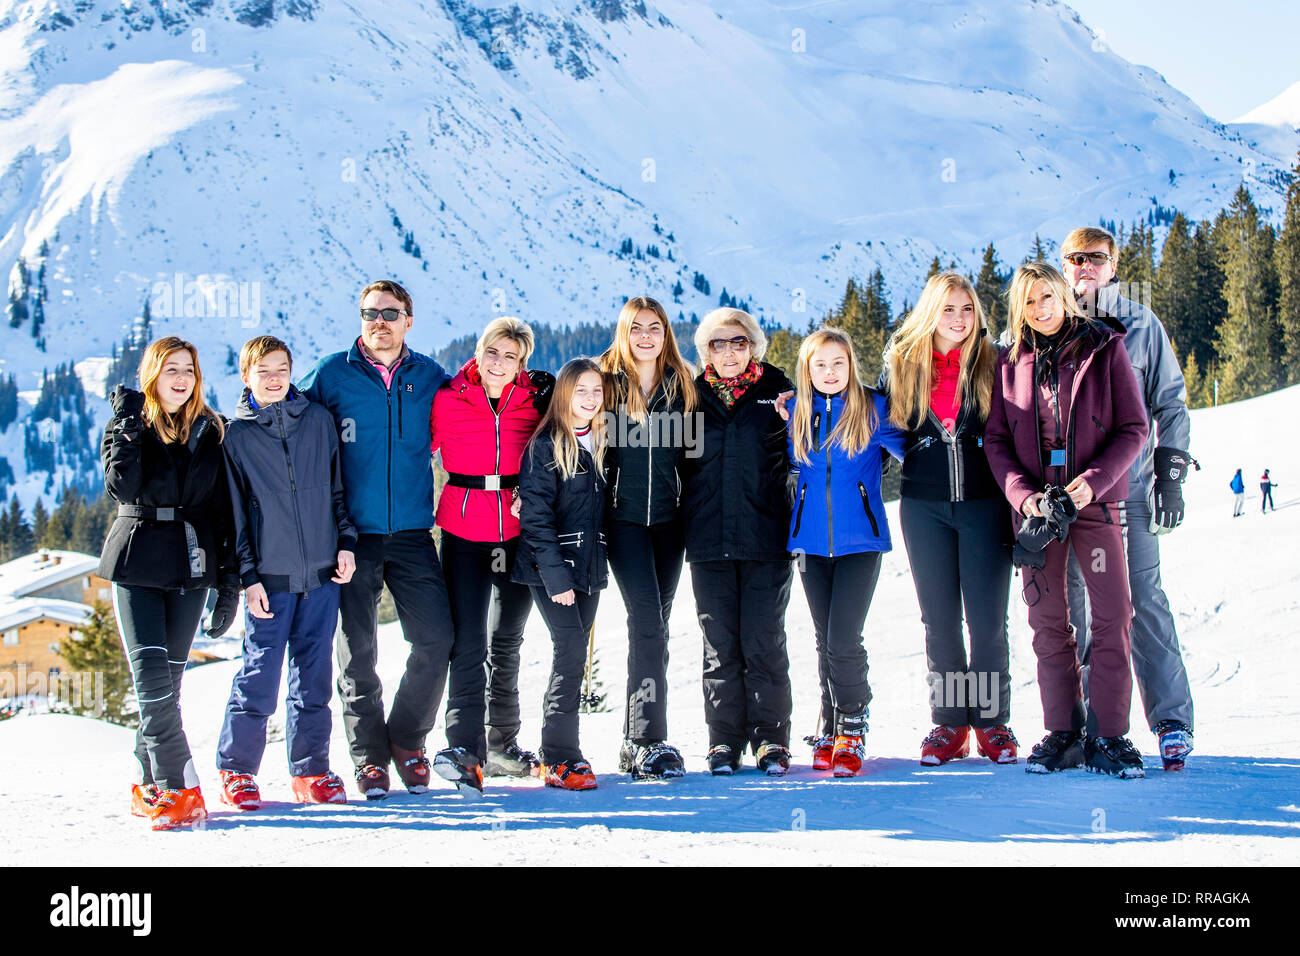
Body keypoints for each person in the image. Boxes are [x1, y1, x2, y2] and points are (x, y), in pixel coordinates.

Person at [984, 262, 1149, 778]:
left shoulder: (1105, 348)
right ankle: (1063, 731)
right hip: (1037, 512)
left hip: (1093, 505)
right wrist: (1023, 495)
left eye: (1048, 297)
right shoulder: (1009, 362)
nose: (1041, 309)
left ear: (1064, 296)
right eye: (1030, 301)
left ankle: (1110, 735)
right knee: (1048, 621)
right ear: (1020, 307)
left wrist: (1092, 482)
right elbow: (996, 440)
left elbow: (1133, 428)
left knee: (1113, 615)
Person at [298, 280, 453, 799]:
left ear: (409, 319)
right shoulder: (331, 373)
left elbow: (480, 411)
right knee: (356, 651)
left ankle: (407, 740)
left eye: (391, 313)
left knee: (436, 639)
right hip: (349, 537)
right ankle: (368, 757)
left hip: (412, 531)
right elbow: (282, 410)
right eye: (370, 313)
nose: (379, 322)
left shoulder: (429, 376)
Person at [1060, 226, 1197, 771]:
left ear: (1113, 266)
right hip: (1069, 497)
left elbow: (1171, 401)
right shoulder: (1046, 321)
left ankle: (1171, 720)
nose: (1086, 266)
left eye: (1097, 258)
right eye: (1076, 258)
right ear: (1064, 265)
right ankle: (1092, 724)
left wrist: (1170, 471)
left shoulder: (1142, 325)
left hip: (1132, 489)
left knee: (1144, 600)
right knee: (1077, 612)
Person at [99, 337, 239, 830]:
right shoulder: (131, 424)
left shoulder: (211, 429)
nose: (181, 379)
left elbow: (224, 512)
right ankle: (181, 788)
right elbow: (122, 485)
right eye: (170, 370)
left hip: (192, 566)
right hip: (137, 564)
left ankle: (147, 784)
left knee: (168, 687)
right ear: (152, 375)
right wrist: (126, 422)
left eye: (189, 370)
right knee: (154, 685)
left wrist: (229, 586)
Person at [882, 272, 1019, 767]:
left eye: (967, 309)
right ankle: (950, 725)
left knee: (986, 621)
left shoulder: (994, 361)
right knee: (939, 621)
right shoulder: (902, 362)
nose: (959, 319)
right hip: (924, 508)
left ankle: (991, 724)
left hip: (985, 504)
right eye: (949, 309)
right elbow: (881, 426)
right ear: (930, 312)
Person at [215, 336, 358, 809]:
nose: (274, 378)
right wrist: (248, 577)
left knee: (314, 677)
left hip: (321, 574)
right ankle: (237, 771)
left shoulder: (318, 422)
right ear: (246, 376)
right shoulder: (235, 436)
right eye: (264, 370)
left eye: (282, 368)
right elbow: (234, 515)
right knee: (259, 675)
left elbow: (338, 491)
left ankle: (311, 770)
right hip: (269, 581)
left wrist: (345, 544)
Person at [429, 317, 553, 790]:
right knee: (468, 640)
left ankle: (501, 746)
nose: (499, 364)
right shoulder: (448, 398)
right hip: (464, 529)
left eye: (511, 357)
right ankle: (463, 747)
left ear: (522, 362)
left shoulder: (533, 400)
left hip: (518, 532)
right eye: (492, 353)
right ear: (478, 352)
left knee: (507, 639)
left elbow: (566, 434)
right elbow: (418, 448)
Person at [680, 308, 796, 776]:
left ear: (754, 346)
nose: (729, 352)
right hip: (707, 539)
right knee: (718, 645)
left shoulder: (781, 392)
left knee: (763, 640)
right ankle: (723, 741)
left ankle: (771, 739)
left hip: (766, 537)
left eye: (739, 342)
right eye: (717, 344)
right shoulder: (690, 397)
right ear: (705, 351)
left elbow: (820, 438)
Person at [786, 327, 904, 777]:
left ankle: (853, 723)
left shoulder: (873, 409)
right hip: (810, 544)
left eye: (839, 363)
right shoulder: (795, 411)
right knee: (823, 639)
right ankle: (830, 724)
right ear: (807, 370)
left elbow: (917, 453)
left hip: (860, 542)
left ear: (851, 365)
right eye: (820, 365)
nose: (830, 372)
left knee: (842, 638)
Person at [599, 296, 699, 779]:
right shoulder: (605, 382)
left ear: (666, 332)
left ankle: (630, 739)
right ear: (624, 330)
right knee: (647, 622)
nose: (645, 336)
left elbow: (698, 452)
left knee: (655, 626)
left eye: (654, 327)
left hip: (670, 523)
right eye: (636, 327)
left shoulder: (684, 384)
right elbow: (573, 438)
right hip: (622, 522)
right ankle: (647, 741)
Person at [511, 358, 609, 790]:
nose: (589, 399)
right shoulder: (546, 446)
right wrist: (557, 579)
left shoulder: (603, 440)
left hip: (589, 567)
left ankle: (561, 752)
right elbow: (535, 520)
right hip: (552, 570)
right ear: (565, 394)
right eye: (581, 390)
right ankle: (561, 757)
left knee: (572, 658)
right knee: (570, 648)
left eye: (597, 391)